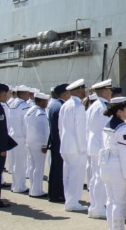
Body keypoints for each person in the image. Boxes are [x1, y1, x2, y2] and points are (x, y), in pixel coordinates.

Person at [99, 96, 126, 230]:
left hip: (106, 165)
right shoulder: (123, 129)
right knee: (119, 202)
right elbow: (125, 154)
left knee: (111, 201)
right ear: (119, 112)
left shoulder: (108, 125)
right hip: (117, 167)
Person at [59, 79, 89, 212]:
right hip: (76, 147)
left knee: (67, 174)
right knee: (76, 176)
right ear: (78, 91)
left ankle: (69, 199)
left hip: (66, 145)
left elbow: (60, 127)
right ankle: (72, 202)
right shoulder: (78, 107)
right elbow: (80, 129)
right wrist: (83, 148)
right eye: (82, 89)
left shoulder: (65, 105)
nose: (84, 91)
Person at [86, 79, 114, 219]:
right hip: (100, 146)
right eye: (109, 91)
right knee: (100, 178)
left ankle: (94, 206)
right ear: (104, 92)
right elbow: (106, 128)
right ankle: (98, 208)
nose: (111, 93)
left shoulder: (94, 105)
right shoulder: (102, 107)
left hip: (94, 145)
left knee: (94, 178)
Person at [46, 84, 68, 203]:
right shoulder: (61, 106)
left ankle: (53, 193)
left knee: (55, 169)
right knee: (59, 169)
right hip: (60, 141)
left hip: (55, 141)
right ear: (64, 94)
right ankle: (58, 194)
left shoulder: (54, 104)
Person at [26, 92, 49, 197]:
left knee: (32, 166)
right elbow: (42, 131)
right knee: (38, 168)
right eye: (45, 101)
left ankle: (32, 188)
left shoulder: (30, 110)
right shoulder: (40, 113)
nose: (47, 103)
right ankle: (37, 191)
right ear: (41, 101)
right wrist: (45, 145)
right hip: (39, 144)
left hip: (30, 142)